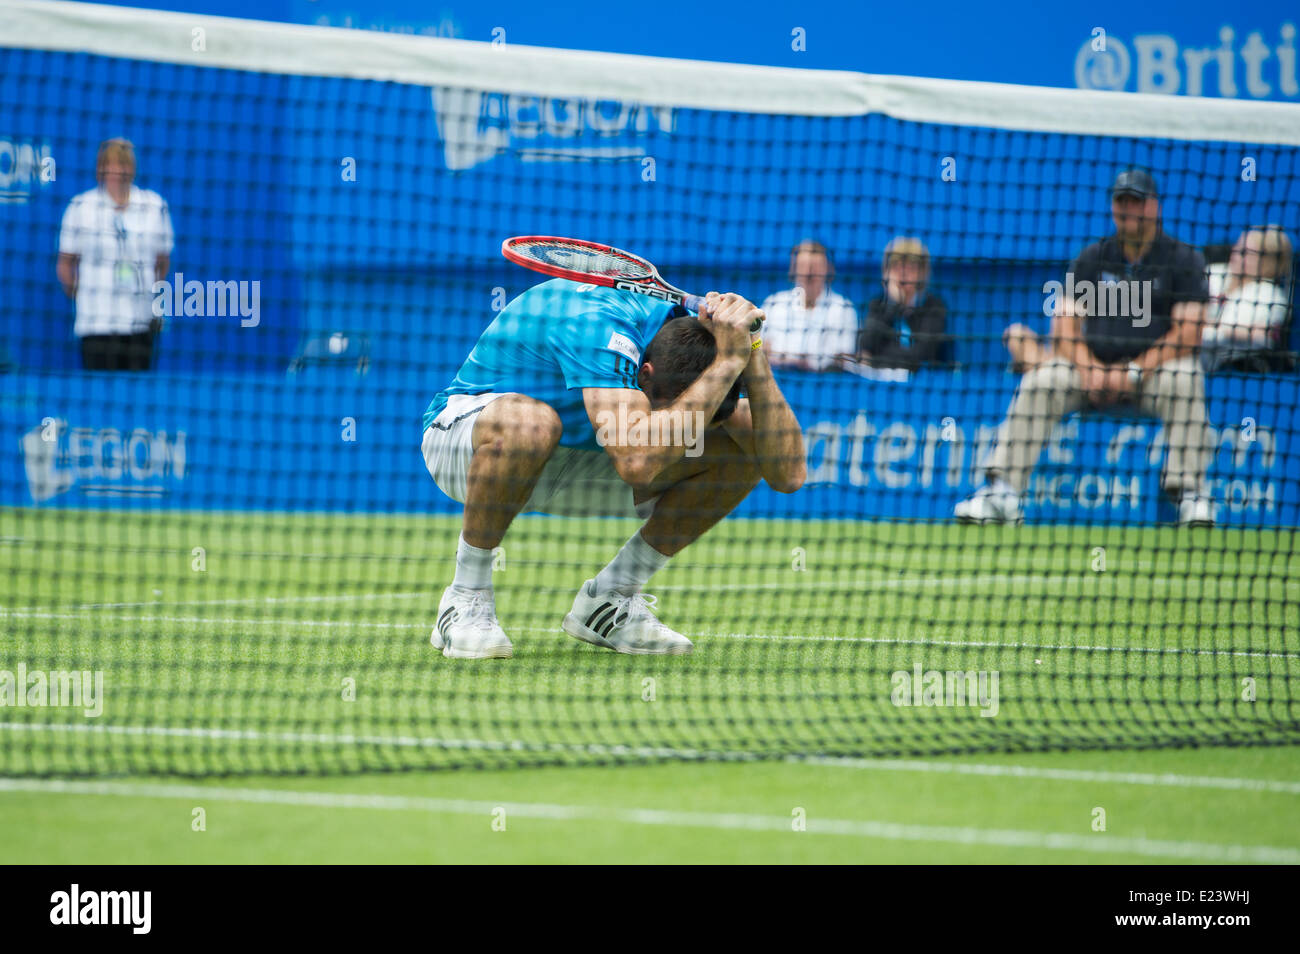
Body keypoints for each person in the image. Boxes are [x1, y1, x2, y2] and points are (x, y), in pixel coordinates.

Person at [421, 279, 806, 659]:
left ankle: (610, 600)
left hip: (581, 459)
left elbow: (787, 474)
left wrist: (749, 350)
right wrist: (728, 362)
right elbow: (638, 463)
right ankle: (465, 598)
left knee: (743, 449)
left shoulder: (708, 340)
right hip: (470, 445)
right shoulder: (596, 322)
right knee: (531, 425)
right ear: (645, 375)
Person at [955, 168, 1216, 527]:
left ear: (1154, 207)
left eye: (1135, 202)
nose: (1127, 209)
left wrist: (1134, 371)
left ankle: (1191, 495)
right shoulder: (1093, 257)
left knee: (1186, 378)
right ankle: (1002, 492)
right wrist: (1090, 368)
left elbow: (1189, 333)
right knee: (1043, 379)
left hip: (1151, 374)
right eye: (1120, 201)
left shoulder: (1183, 260)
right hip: (1088, 371)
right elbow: (1064, 326)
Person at [57, 138, 173, 371]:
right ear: (100, 169)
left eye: (124, 165)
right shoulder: (81, 207)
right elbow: (65, 263)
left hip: (140, 323)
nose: (118, 172)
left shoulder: (153, 205)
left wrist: (153, 299)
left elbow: (162, 262)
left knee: (137, 395)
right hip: (96, 323)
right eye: (111, 165)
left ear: (132, 169)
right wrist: (84, 297)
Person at [1201, 225, 1292, 372]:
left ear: (1268, 263)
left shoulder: (1271, 297)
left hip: (1232, 363)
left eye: (1247, 253)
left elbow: (1246, 333)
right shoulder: (1213, 271)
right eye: (1238, 247)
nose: (1236, 255)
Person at [759, 240, 858, 370]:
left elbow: (842, 358)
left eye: (816, 266)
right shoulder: (774, 303)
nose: (809, 273)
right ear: (793, 269)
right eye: (803, 265)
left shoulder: (843, 308)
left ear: (828, 269)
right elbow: (760, 349)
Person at [854, 236, 949, 370]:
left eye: (911, 268)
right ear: (886, 272)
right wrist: (892, 306)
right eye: (897, 267)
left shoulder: (934, 307)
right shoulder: (877, 305)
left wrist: (879, 358)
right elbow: (866, 346)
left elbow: (921, 355)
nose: (903, 274)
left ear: (922, 273)